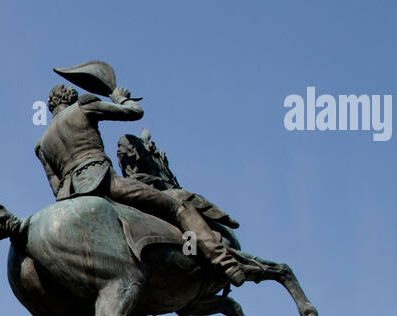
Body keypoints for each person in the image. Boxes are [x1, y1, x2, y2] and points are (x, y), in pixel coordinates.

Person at [35, 83, 245, 285]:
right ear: (70, 96)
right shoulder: (83, 106)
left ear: (51, 105)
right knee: (178, 206)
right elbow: (134, 113)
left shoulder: (42, 145)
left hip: (71, 198)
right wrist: (120, 97)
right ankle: (225, 263)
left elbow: (55, 187)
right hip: (104, 181)